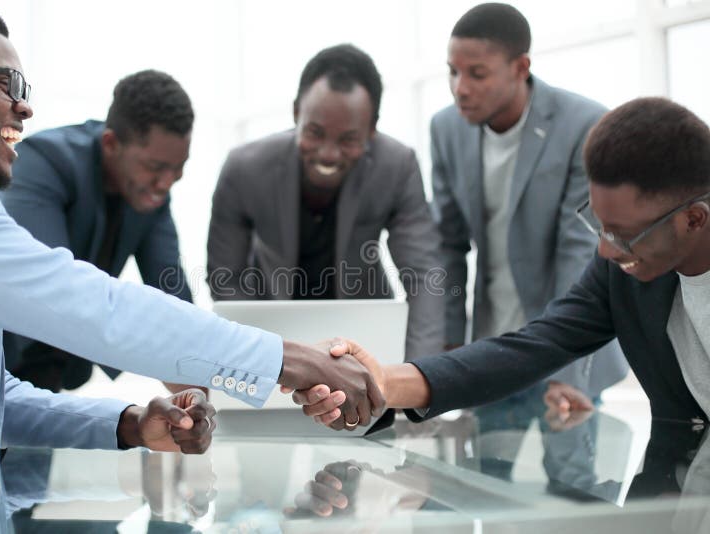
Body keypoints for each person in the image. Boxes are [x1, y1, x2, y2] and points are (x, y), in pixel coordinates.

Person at [0, 4, 383, 532]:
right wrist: (289, 359)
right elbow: (79, 304)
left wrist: (133, 421)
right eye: (8, 83)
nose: (24, 106)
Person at [298, 96, 710, 433]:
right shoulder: (620, 272)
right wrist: (384, 381)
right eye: (598, 225)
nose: (604, 250)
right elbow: (529, 348)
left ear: (694, 219)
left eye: (622, 234)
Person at [430, 3, 627, 405]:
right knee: (480, 465)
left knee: (571, 468)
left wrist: (566, 368)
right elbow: (446, 246)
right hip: (488, 349)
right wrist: (447, 346)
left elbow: (580, 248)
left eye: (477, 73)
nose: (460, 87)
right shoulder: (446, 128)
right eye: (453, 71)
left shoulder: (584, 125)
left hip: (566, 352)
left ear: (521, 67)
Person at [206, 43, 446, 360]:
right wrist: (259, 360)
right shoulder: (244, 170)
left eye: (347, 139)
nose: (328, 154)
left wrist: (417, 379)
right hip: (270, 338)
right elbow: (227, 279)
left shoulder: (397, 166)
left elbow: (423, 275)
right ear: (296, 113)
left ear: (372, 129)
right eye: (315, 133)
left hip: (364, 341)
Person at [1, 70, 195, 393]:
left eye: (179, 168)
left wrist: (199, 362)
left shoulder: (151, 192)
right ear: (110, 143)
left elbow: (171, 291)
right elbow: (58, 290)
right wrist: (165, 359)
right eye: (156, 167)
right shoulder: (42, 163)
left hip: (54, 379)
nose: (167, 183)